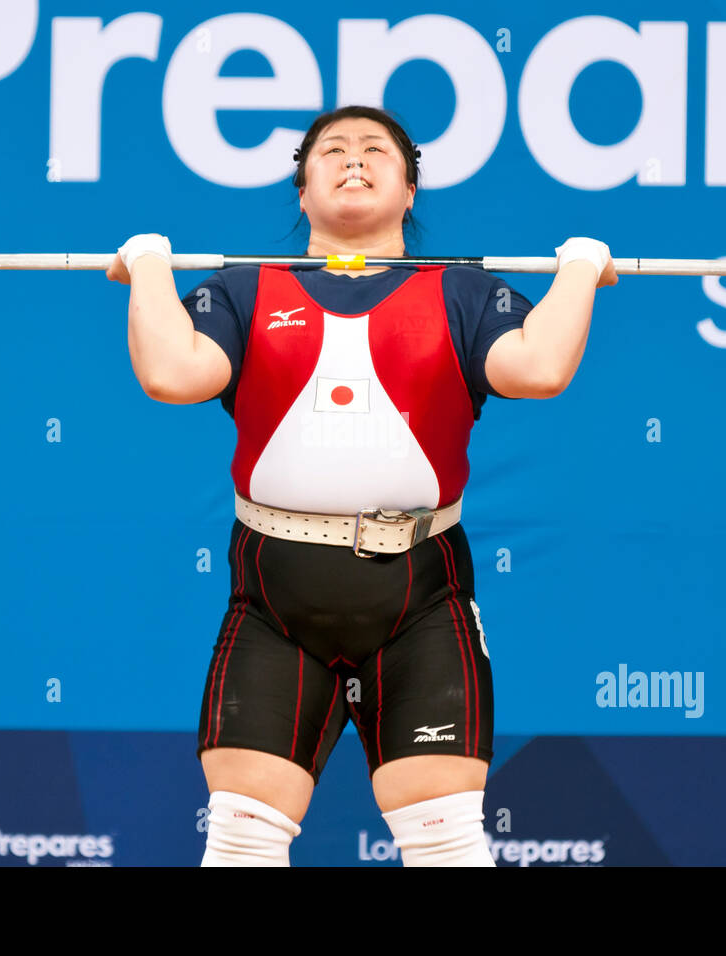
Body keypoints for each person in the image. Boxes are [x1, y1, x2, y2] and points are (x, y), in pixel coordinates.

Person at [107, 105, 616, 866]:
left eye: (376, 149)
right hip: (273, 612)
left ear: (410, 190)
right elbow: (173, 374)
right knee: (241, 844)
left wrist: (580, 266)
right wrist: (149, 265)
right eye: (331, 151)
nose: (353, 159)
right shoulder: (244, 289)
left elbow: (539, 369)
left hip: (422, 609)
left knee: (447, 850)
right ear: (302, 192)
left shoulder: (462, 292)